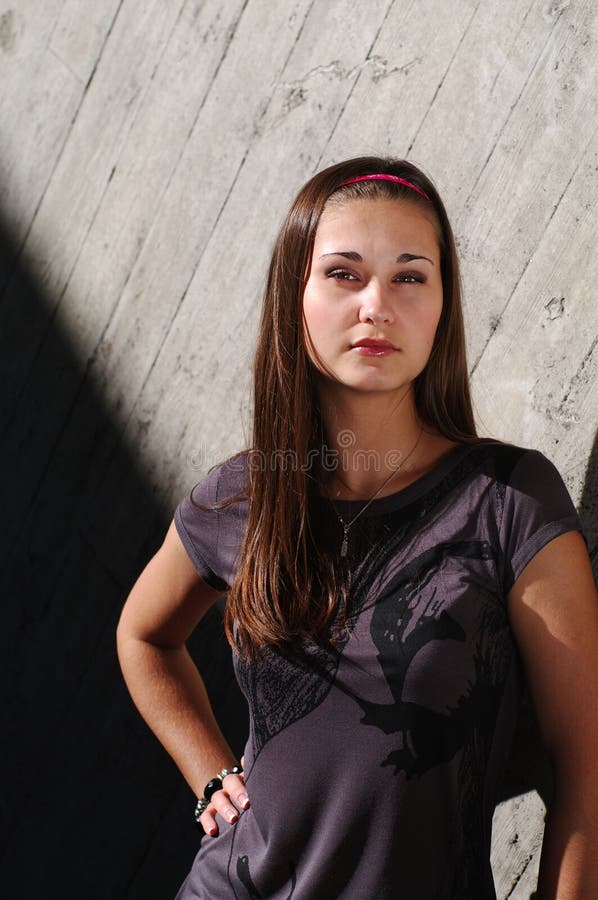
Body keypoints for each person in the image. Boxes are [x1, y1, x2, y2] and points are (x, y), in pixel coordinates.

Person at [116, 157, 598, 899]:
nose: (377, 304)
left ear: (443, 306)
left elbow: (586, 765)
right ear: (295, 297)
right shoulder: (242, 495)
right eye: (344, 273)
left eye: (411, 276)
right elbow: (144, 637)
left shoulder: (508, 498)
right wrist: (211, 772)